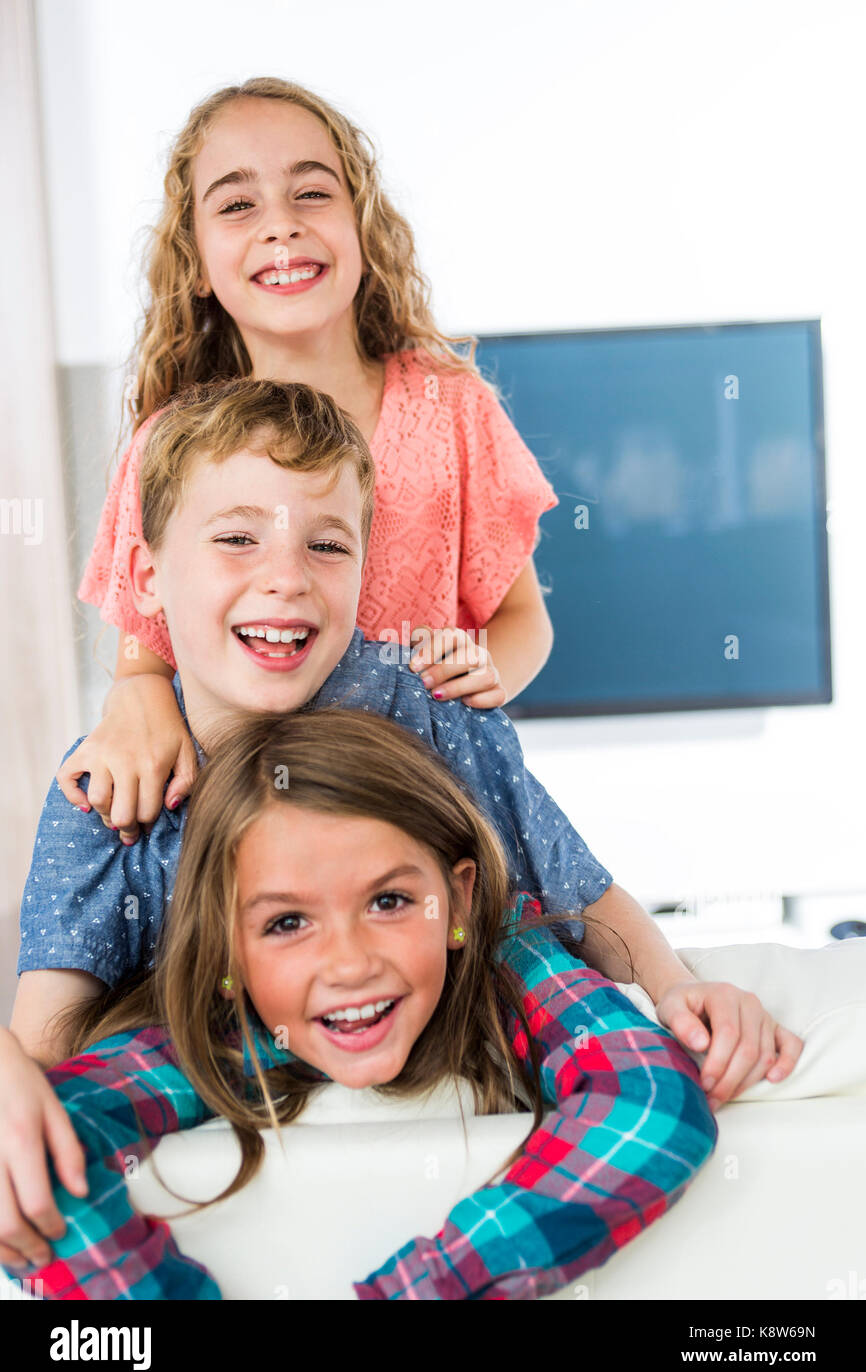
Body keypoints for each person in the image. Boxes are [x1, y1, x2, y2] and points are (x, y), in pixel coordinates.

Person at [1, 377, 799, 1275]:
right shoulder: (109, 788)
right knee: (25, 1152)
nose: (286, 577)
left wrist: (674, 986)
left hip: (477, 971)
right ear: (147, 576)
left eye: (327, 545)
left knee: (654, 1090)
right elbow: (45, 1054)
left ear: (363, 564)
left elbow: (575, 890)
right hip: (228, 1015)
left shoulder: (426, 699)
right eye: (235, 539)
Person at [3, 706, 718, 1300]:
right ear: (227, 948)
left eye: (389, 901)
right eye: (287, 923)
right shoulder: (236, 1031)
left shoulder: (506, 956)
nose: (347, 963)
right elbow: (41, 1140)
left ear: (460, 901)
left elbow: (650, 1097)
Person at [73, 75, 560, 849]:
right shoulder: (167, 440)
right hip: (242, 830)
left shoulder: (453, 407)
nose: (281, 229)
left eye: (312, 194)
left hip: (425, 814)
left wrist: (483, 670)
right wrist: (134, 699)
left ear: (362, 226)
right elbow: (144, 656)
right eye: (237, 205)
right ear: (196, 263)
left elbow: (523, 619)